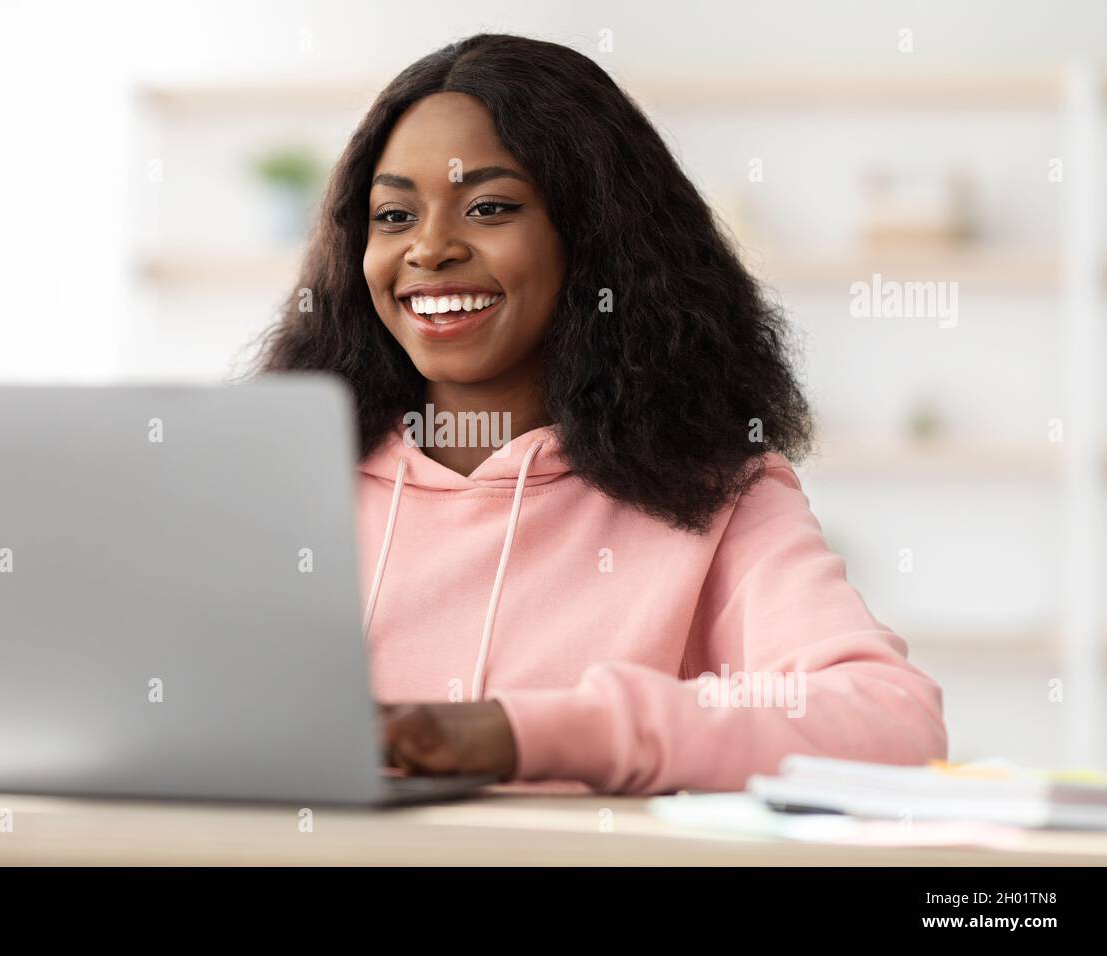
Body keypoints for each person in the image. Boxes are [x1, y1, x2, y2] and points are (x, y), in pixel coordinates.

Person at [251, 33, 947, 795]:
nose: (430, 248)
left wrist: (517, 734)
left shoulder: (717, 496)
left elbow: (891, 720)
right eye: (393, 216)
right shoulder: (289, 481)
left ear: (593, 241)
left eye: (489, 206)